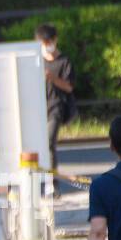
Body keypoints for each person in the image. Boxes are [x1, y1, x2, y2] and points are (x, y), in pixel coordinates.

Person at [36, 23, 75, 172]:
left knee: (48, 143)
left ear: (55, 40)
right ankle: (43, 178)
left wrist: (52, 78)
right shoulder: (37, 60)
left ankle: (53, 181)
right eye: (43, 43)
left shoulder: (64, 61)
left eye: (48, 42)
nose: (46, 46)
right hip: (38, 108)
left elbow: (69, 86)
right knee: (38, 145)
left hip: (56, 106)